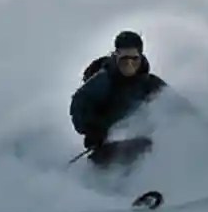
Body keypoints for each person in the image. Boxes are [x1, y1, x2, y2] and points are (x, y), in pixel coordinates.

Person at [70, 30, 174, 166]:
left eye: (134, 58)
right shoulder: (103, 81)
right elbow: (78, 105)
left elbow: (175, 105)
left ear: (141, 57)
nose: (129, 64)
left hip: (139, 144)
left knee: (152, 148)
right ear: (116, 55)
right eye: (124, 58)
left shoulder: (149, 83)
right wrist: (94, 129)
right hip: (105, 148)